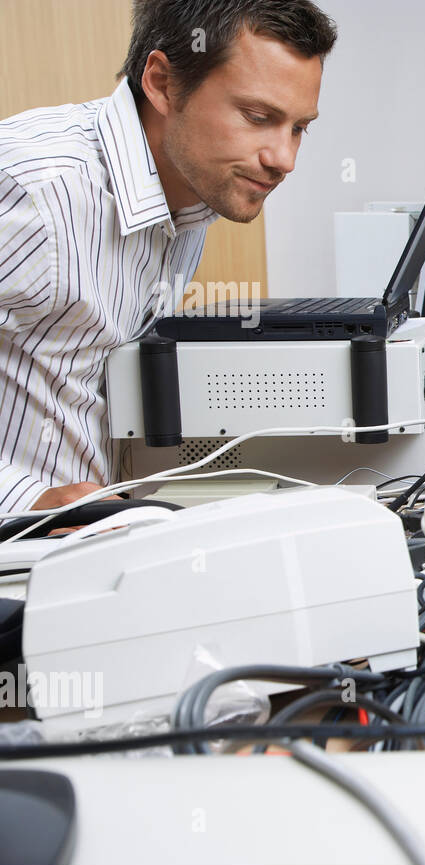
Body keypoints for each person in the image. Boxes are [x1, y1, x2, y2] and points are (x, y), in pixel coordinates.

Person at [0, 0, 336, 523]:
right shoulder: (33, 189)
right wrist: (26, 502)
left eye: (298, 128)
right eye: (257, 117)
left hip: (90, 541)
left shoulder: (189, 197)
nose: (283, 159)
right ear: (162, 83)